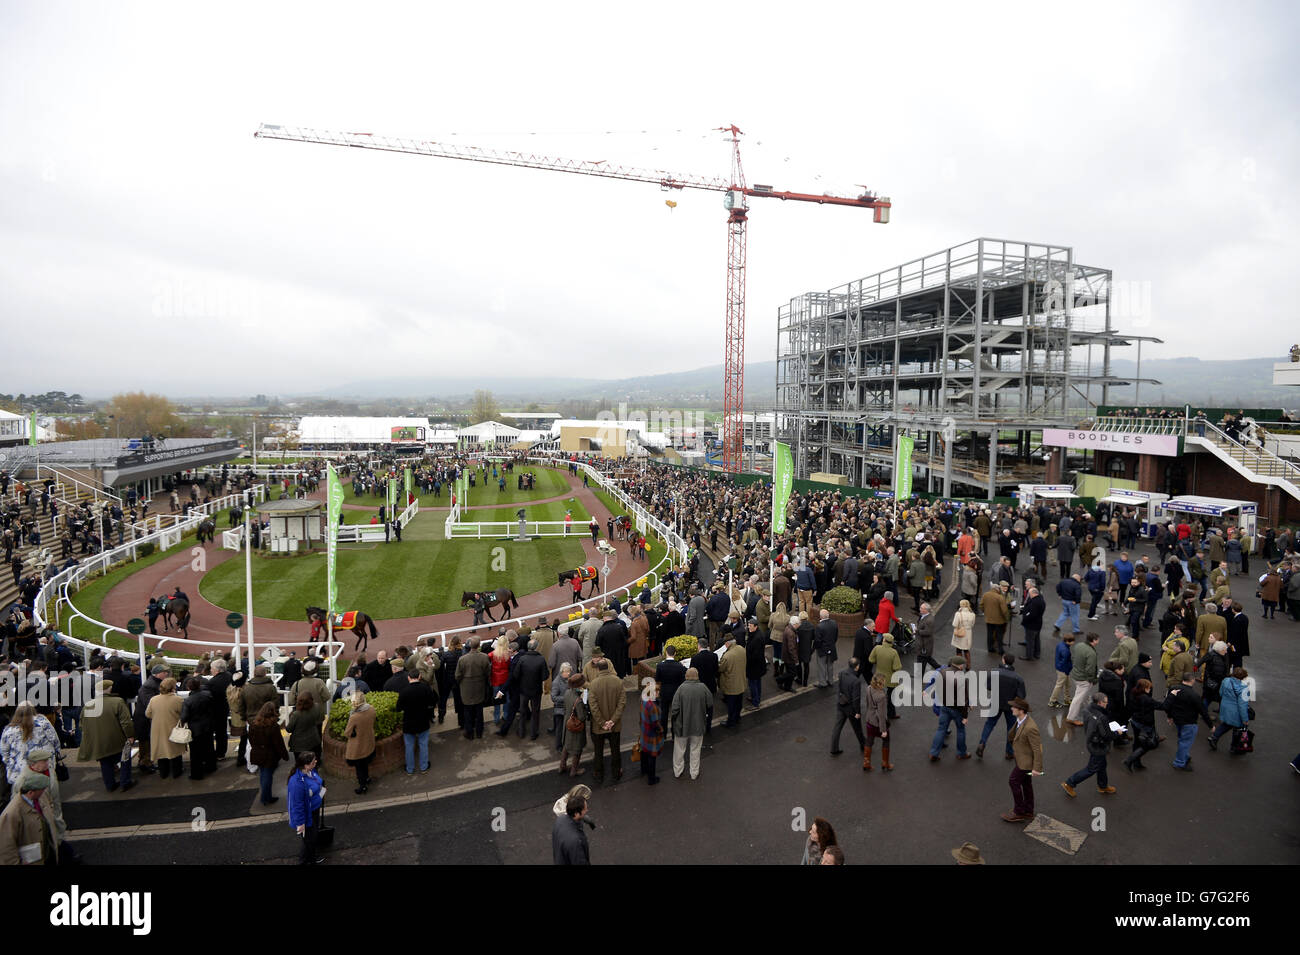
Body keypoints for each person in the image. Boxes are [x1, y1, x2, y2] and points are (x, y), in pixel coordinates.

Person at [77, 680, 135, 792]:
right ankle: (125, 782)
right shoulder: (118, 701)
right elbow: (126, 722)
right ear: (110, 689)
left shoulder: (88, 705)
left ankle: (110, 785)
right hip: (117, 739)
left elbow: (81, 725)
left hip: (98, 741)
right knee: (125, 759)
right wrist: (130, 735)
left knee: (105, 763)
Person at [1061, 692, 1122, 797]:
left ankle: (1103, 786)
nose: (1107, 704)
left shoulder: (1088, 709)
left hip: (1092, 741)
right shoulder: (1101, 717)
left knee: (1102, 765)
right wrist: (1117, 732)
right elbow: (1107, 735)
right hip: (1099, 746)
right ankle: (1069, 783)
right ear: (1099, 703)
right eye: (1105, 702)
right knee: (1091, 769)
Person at [0, 772, 57, 865]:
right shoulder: (12, 813)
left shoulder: (37, 799)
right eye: (42, 789)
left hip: (44, 855)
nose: (44, 791)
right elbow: (5, 846)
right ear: (31, 792)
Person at [2, 701, 62, 789]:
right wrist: (56, 752)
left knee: (22, 798)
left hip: (19, 771)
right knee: (45, 796)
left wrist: (10, 763)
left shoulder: (9, 729)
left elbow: (4, 752)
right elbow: (54, 740)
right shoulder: (43, 722)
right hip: (42, 766)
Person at [978, 654, 1026, 759]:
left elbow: (988, 686)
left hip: (995, 702)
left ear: (1003, 660)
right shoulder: (1018, 678)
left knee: (990, 724)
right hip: (1010, 706)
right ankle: (1009, 752)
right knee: (1011, 728)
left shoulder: (994, 672)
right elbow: (1022, 695)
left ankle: (982, 743)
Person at [1165, 671, 1213, 771]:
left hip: (1177, 720)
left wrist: (1169, 716)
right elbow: (1203, 712)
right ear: (1192, 680)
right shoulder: (1194, 695)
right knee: (1185, 742)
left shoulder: (1173, 689)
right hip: (1189, 722)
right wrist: (1211, 725)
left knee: (1182, 740)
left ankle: (1184, 756)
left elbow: (1168, 704)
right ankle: (1179, 762)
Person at [588, 659, 626, 784]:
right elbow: (622, 703)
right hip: (615, 726)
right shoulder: (618, 682)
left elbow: (593, 707)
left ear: (598, 669)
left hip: (599, 727)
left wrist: (602, 722)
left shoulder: (593, 684)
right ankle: (616, 773)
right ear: (609, 667)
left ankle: (599, 774)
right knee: (615, 750)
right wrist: (612, 721)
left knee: (598, 751)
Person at [669, 667, 711, 780]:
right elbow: (710, 703)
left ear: (686, 676)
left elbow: (674, 708)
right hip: (698, 725)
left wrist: (674, 720)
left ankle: (678, 771)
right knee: (695, 749)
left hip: (682, 726)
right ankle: (694, 773)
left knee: (679, 749)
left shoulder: (681, 688)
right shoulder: (703, 687)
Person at [929, 657, 972, 762]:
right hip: (957, 710)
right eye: (963, 665)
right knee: (961, 730)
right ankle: (962, 753)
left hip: (944, 707)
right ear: (960, 665)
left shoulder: (942, 672)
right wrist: (965, 716)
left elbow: (937, 690)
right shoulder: (962, 678)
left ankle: (933, 753)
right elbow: (964, 700)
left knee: (941, 729)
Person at [287, 751, 327, 865]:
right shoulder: (296, 783)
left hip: (314, 809)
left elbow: (317, 783)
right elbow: (297, 805)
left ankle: (312, 857)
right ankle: (305, 860)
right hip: (306, 815)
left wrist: (321, 791)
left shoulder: (311, 771)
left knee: (312, 836)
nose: (316, 761)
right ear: (306, 765)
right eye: (313, 761)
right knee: (309, 839)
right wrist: (300, 823)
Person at [144, 677, 185, 779]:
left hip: (157, 729)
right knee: (175, 752)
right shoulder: (178, 699)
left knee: (161, 752)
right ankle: (176, 772)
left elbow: (148, 714)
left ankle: (163, 773)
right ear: (172, 687)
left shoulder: (154, 699)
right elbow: (183, 714)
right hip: (173, 728)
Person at [248, 701, 288, 805]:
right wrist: (285, 755)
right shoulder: (273, 726)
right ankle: (265, 798)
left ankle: (266, 796)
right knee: (267, 776)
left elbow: (251, 740)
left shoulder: (254, 724)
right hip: (269, 755)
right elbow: (278, 743)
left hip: (257, 753)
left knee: (263, 775)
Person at [397, 670, 435, 775]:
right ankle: (424, 767)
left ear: (408, 678)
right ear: (419, 676)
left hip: (408, 722)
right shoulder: (425, 688)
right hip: (423, 721)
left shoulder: (403, 691)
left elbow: (398, 708)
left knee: (409, 746)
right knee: (423, 744)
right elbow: (432, 702)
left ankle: (410, 769)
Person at [180, 676, 216, 779]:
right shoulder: (208, 695)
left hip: (195, 728)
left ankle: (197, 774)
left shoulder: (188, 701)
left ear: (188, 688)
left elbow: (184, 717)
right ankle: (211, 767)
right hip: (208, 725)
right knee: (209, 747)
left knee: (195, 753)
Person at [830, 657, 866, 757]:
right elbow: (856, 699)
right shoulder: (856, 681)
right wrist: (858, 712)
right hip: (851, 709)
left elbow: (840, 690)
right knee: (857, 728)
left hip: (841, 705)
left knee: (837, 727)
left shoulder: (841, 673)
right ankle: (863, 745)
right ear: (857, 667)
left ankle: (834, 748)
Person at [1208, 667, 1251, 751]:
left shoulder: (1226, 681)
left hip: (1225, 707)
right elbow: (1243, 706)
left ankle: (1214, 737)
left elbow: (1221, 693)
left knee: (1226, 724)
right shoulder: (1244, 688)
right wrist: (1245, 719)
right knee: (1237, 728)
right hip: (1236, 711)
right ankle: (1234, 747)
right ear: (1243, 677)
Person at [456, 637, 491, 739]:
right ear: (479, 645)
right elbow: (488, 672)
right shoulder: (484, 657)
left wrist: (462, 682)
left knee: (467, 712)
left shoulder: (462, 659)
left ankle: (469, 733)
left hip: (466, 689)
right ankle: (479, 732)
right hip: (479, 687)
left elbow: (457, 675)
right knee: (479, 711)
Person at [342, 690, 376, 794]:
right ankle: (367, 778)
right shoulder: (371, 709)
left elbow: (347, 733)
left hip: (358, 745)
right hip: (369, 740)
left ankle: (362, 786)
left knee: (359, 767)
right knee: (365, 763)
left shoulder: (354, 717)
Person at [1065, 633, 1100, 726]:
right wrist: (1093, 679)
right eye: (1098, 639)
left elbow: (1073, 658)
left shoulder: (1079, 645)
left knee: (1084, 695)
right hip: (1084, 679)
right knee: (1078, 699)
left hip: (1076, 674)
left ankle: (1090, 711)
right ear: (1094, 640)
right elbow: (1090, 669)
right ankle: (1071, 718)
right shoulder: (1091, 653)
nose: (1098, 641)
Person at [861, 672, 892, 772]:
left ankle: (866, 763)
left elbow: (867, 703)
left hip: (869, 720)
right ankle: (885, 763)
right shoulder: (881, 696)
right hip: (878, 723)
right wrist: (883, 730)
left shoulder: (869, 688)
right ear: (880, 683)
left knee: (869, 740)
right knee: (886, 740)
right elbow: (882, 715)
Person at [655, 644, 686, 738]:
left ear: (666, 653)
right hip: (676, 692)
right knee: (675, 714)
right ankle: (674, 734)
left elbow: (657, 679)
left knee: (664, 714)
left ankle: (663, 734)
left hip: (664, 692)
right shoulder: (680, 666)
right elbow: (682, 681)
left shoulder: (660, 666)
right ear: (675, 653)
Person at [286, 691, 325, 764]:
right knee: (312, 764)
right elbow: (321, 719)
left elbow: (289, 729)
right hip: (314, 741)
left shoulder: (296, 714)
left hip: (299, 745)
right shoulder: (317, 707)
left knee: (300, 765)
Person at [552, 791, 591, 865]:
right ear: (576, 813)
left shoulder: (560, 820)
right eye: (585, 809)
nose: (587, 810)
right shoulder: (575, 841)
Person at [718, 636, 746, 727]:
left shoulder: (727, 656)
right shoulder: (741, 649)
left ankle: (731, 721)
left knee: (731, 705)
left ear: (727, 643)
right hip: (741, 682)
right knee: (738, 703)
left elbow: (720, 668)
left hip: (731, 684)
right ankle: (737, 717)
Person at [639, 679, 663, 785]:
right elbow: (655, 723)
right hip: (652, 734)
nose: (658, 693)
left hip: (644, 730)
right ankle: (651, 778)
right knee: (652, 757)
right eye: (657, 691)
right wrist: (660, 729)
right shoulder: (653, 706)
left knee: (644, 752)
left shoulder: (644, 700)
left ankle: (643, 770)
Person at [951, 598, 974, 669]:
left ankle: (959, 665)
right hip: (968, 634)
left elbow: (954, 624)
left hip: (960, 634)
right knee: (966, 650)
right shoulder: (972, 614)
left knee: (958, 650)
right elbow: (972, 625)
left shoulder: (958, 614)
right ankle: (968, 665)